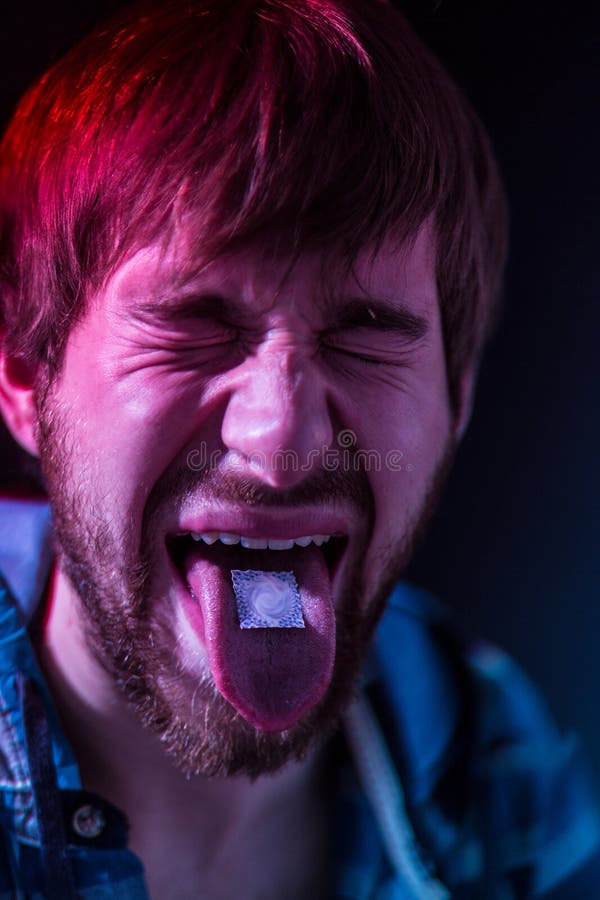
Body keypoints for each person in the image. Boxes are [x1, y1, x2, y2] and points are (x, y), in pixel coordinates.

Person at [0, 0, 597, 896]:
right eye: (194, 326)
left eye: (365, 337)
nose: (280, 441)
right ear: (23, 378)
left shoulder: (491, 754)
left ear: (459, 396)